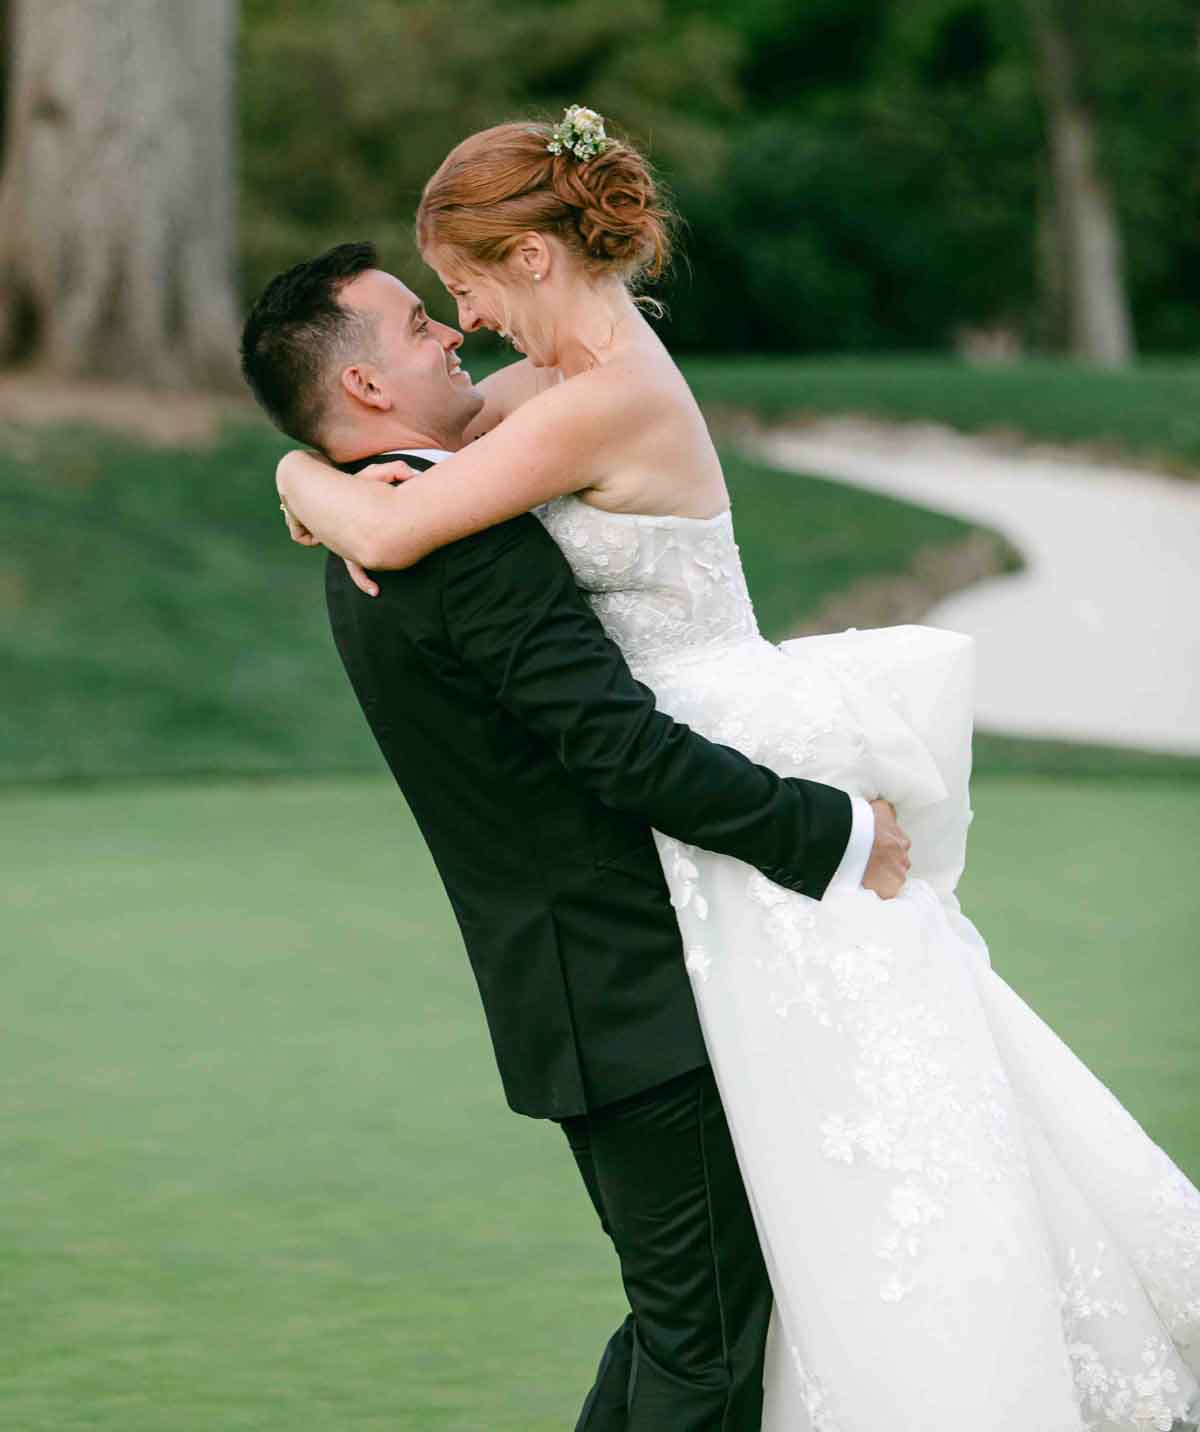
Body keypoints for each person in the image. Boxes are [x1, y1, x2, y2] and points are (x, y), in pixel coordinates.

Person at [270, 109, 1200, 1432]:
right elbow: (415, 474)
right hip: (689, 809)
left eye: (465, 285)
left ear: (531, 257)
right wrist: (317, 459)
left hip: (717, 788)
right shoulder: (554, 391)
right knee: (719, 1270)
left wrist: (305, 471)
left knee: (760, 1243)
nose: (462, 320)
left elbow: (402, 513)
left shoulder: (601, 400)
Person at [240, 239, 913, 1431]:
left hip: (581, 997)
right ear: (364, 388)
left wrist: (304, 476)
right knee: (704, 1351)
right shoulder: (456, 541)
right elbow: (620, 750)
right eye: (415, 323)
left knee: (678, 1327)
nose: (451, 331)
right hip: (627, 996)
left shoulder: (380, 529)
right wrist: (833, 829)